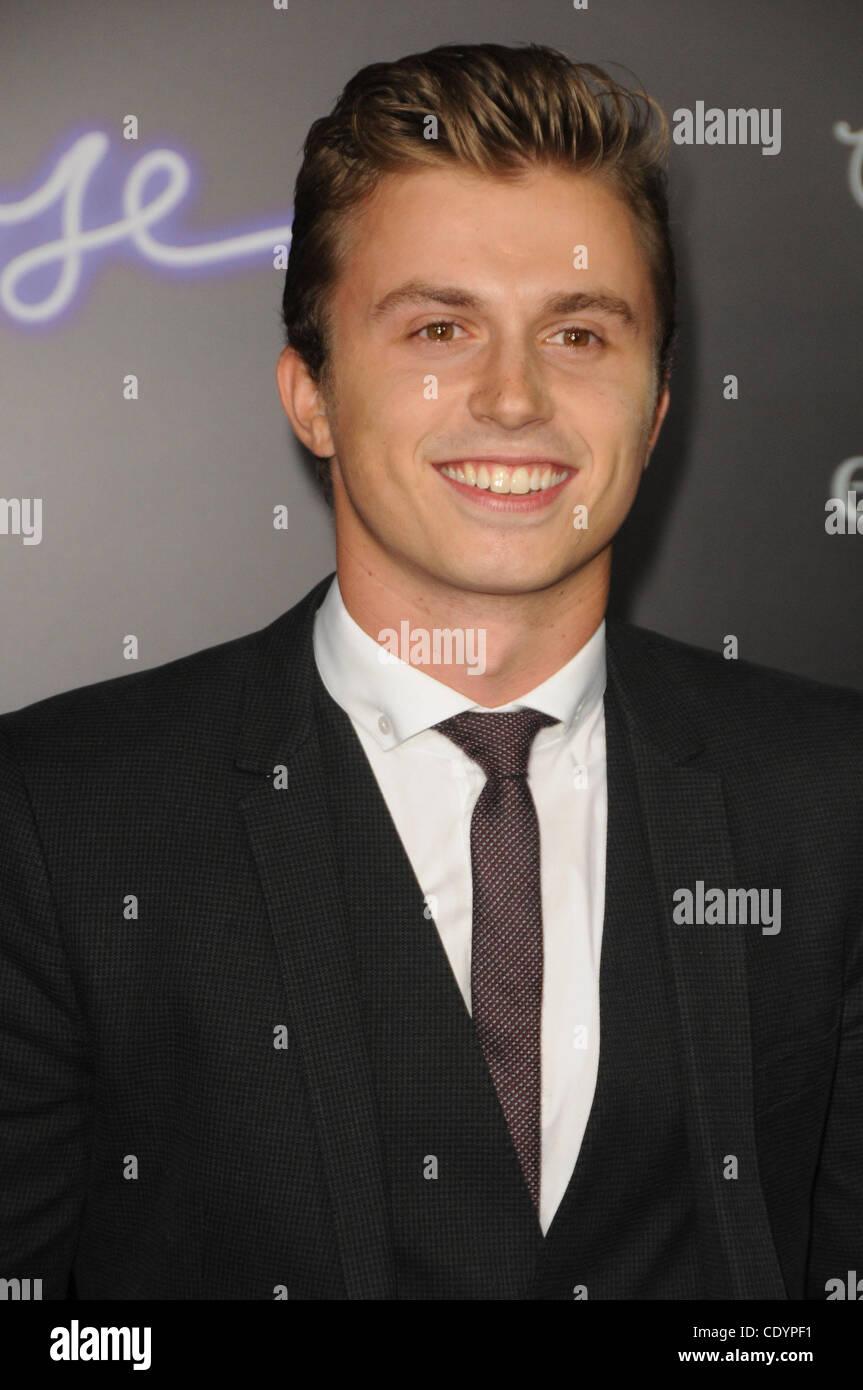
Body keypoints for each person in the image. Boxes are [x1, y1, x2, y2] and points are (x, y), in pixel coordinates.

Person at [1, 42, 860, 1302]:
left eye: (576, 332)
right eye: (438, 327)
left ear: (658, 403)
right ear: (311, 395)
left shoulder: (830, 798)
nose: (511, 399)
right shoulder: (57, 816)